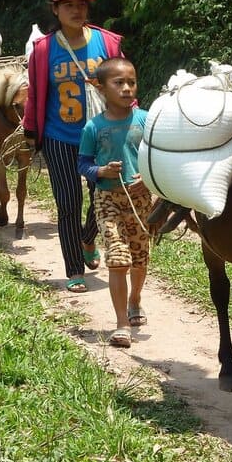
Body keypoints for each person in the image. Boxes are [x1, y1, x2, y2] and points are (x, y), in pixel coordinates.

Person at [22, 0, 124, 293]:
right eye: (69, 5)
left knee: (105, 196)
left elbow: (122, 81)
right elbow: (36, 94)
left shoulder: (106, 43)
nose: (77, 10)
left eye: (81, 4)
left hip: (101, 137)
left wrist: (131, 118)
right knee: (68, 203)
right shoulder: (43, 50)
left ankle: (86, 237)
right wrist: (30, 130)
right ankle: (74, 270)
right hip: (59, 136)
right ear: (55, 9)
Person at [77, 57, 152, 348]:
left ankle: (135, 300)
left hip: (142, 200)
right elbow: (82, 163)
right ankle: (121, 324)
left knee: (140, 258)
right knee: (118, 260)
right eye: (118, 83)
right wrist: (101, 172)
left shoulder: (147, 121)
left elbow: (157, 159)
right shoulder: (93, 128)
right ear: (101, 88)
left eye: (131, 82)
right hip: (107, 198)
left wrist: (147, 179)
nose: (126, 88)